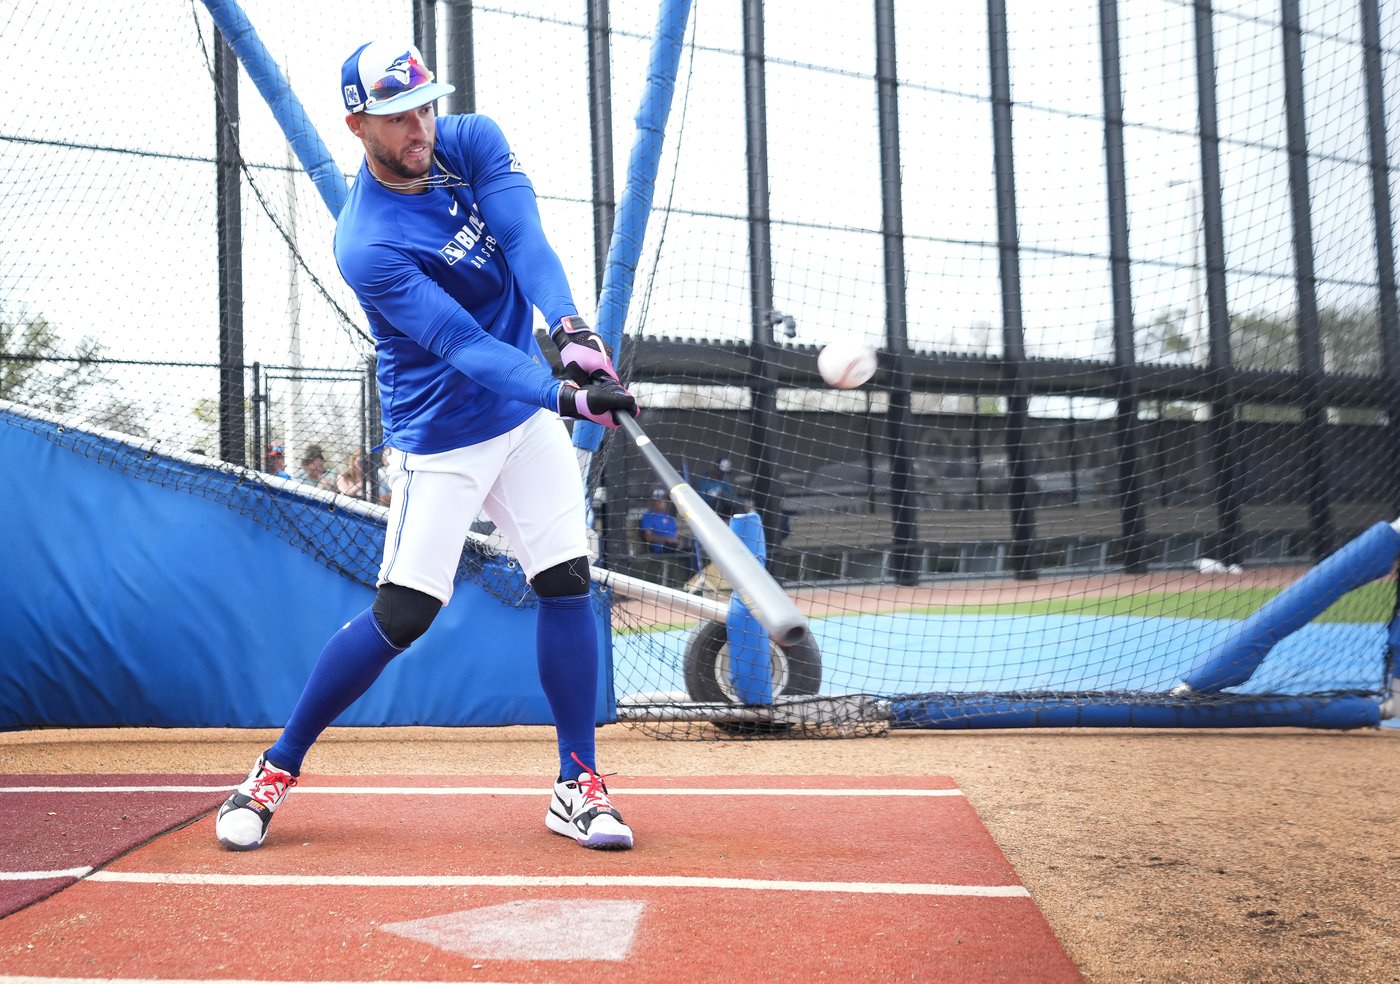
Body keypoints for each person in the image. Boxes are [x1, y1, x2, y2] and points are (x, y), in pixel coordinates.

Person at [215, 40, 637, 854]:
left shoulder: (470, 142)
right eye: (397, 115)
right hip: (441, 437)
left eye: (423, 106)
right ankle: (273, 769)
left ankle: (576, 781)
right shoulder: (366, 242)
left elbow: (526, 244)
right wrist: (564, 392)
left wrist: (574, 332)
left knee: (566, 582)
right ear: (357, 125)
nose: (419, 126)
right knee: (405, 612)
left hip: (521, 426)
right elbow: (462, 343)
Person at [638, 489, 682, 556]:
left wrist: (678, 540)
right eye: (660, 500)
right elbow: (648, 537)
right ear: (655, 502)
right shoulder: (648, 516)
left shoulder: (669, 517)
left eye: (664, 500)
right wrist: (667, 539)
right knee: (671, 547)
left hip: (674, 548)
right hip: (660, 549)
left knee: (691, 551)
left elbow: (676, 535)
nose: (664, 502)